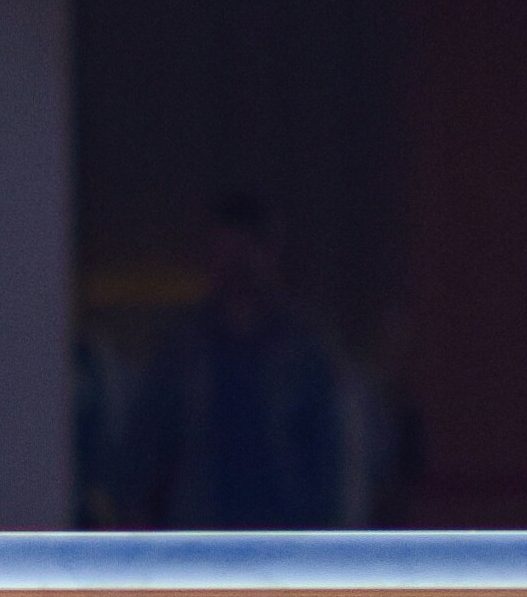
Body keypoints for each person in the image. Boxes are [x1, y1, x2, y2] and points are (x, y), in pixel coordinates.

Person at [112, 193, 355, 528]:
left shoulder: (306, 353)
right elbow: (144, 447)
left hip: (286, 541)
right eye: (225, 253)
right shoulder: (180, 351)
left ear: (271, 255)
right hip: (197, 540)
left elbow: (331, 460)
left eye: (248, 252)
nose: (236, 267)